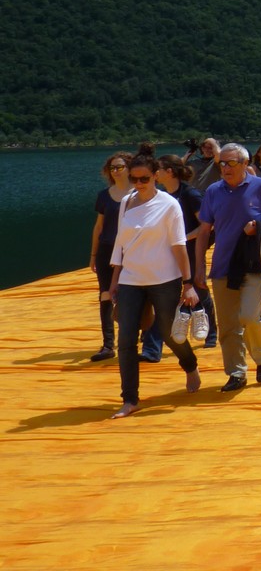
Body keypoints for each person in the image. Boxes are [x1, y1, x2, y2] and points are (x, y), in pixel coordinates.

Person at [108, 147, 202, 417]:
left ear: (156, 176)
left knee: (170, 333)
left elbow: (179, 245)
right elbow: (120, 245)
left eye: (144, 179)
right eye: (134, 179)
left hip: (164, 279)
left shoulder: (169, 205)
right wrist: (114, 281)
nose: (138, 184)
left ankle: (190, 365)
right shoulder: (126, 202)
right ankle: (130, 399)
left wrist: (188, 283)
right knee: (125, 339)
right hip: (131, 279)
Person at [194, 143, 261, 393]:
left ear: (245, 164)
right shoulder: (213, 192)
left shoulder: (260, 187)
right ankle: (236, 372)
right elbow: (204, 231)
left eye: (231, 163)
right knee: (228, 325)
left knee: (248, 315)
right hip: (223, 265)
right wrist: (198, 267)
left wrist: (260, 225)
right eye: (221, 163)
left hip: (252, 263)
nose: (225, 168)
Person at [155, 154, 216, 348]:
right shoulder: (161, 195)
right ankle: (161, 336)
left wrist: (182, 239)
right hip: (168, 252)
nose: (155, 173)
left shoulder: (190, 195)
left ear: (169, 172)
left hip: (191, 250)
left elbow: (206, 225)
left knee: (198, 288)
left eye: (158, 169)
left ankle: (211, 334)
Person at [88, 151, 132, 362]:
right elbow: (99, 226)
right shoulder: (104, 195)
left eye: (119, 167)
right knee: (105, 294)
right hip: (106, 249)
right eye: (112, 168)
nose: (115, 171)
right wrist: (93, 254)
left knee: (131, 294)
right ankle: (108, 344)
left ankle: (134, 335)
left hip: (131, 250)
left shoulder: (139, 193)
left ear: (129, 168)